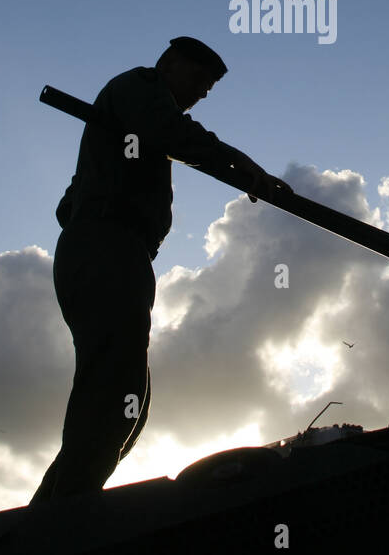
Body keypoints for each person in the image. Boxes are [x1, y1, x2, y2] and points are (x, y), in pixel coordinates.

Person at [29, 36, 291, 506]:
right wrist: (238, 161)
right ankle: (54, 520)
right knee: (113, 394)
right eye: (197, 80)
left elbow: (68, 200)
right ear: (167, 65)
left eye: (207, 89)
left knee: (128, 402)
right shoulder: (138, 88)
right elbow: (171, 132)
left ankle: (58, 510)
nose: (200, 94)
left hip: (117, 250)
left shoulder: (131, 120)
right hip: (105, 246)